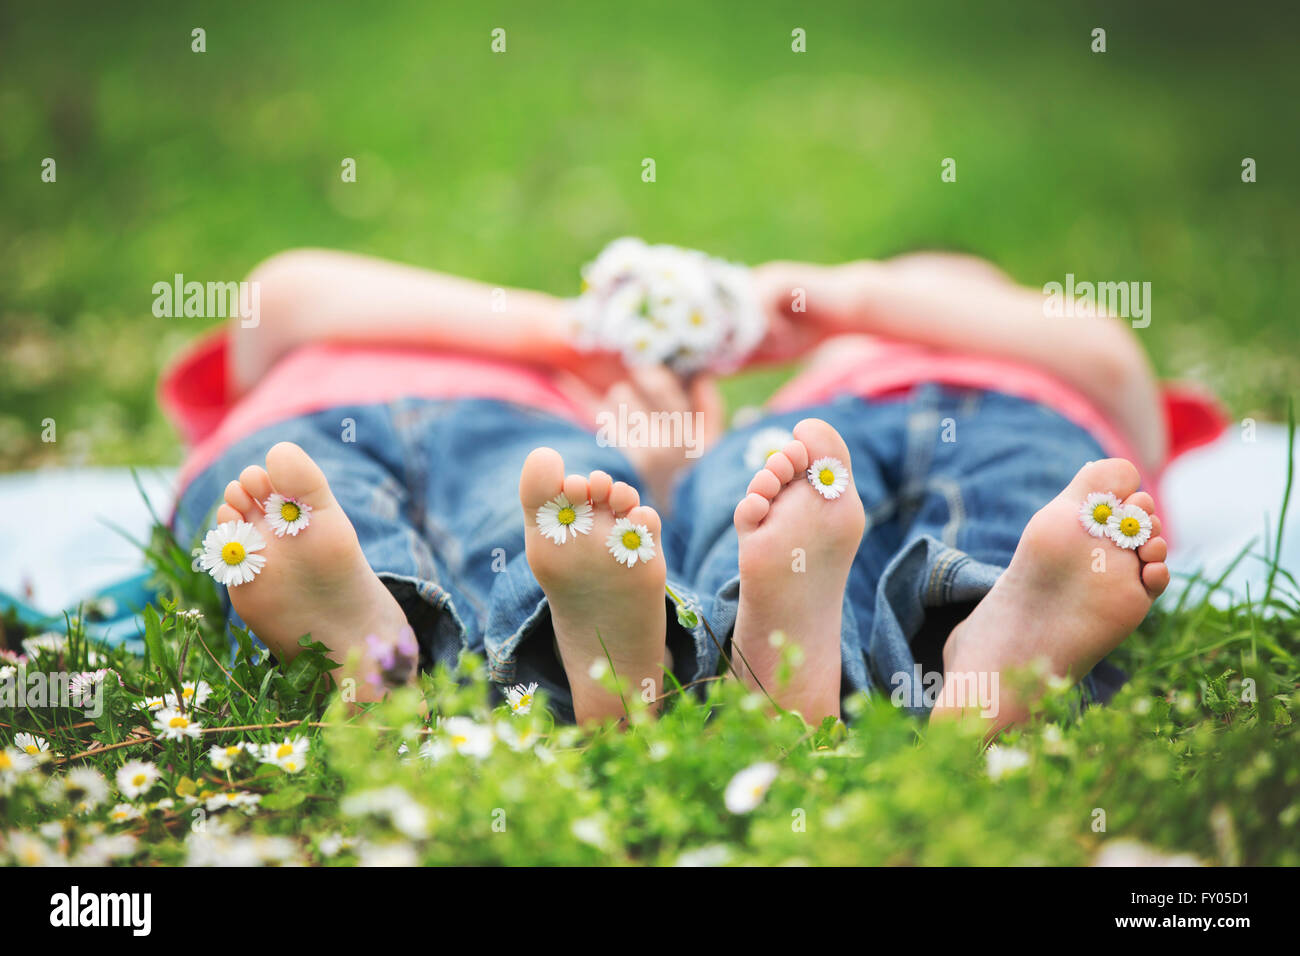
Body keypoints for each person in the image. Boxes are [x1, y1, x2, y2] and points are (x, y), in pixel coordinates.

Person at [165, 248, 1169, 732]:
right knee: (530, 511)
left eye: (950, 287)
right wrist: (571, 348)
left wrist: (856, 304)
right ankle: (378, 629)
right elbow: (285, 290)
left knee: (767, 485)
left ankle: (976, 635)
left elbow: (1106, 355)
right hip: (411, 430)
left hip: (983, 430)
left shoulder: (860, 375)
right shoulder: (543, 375)